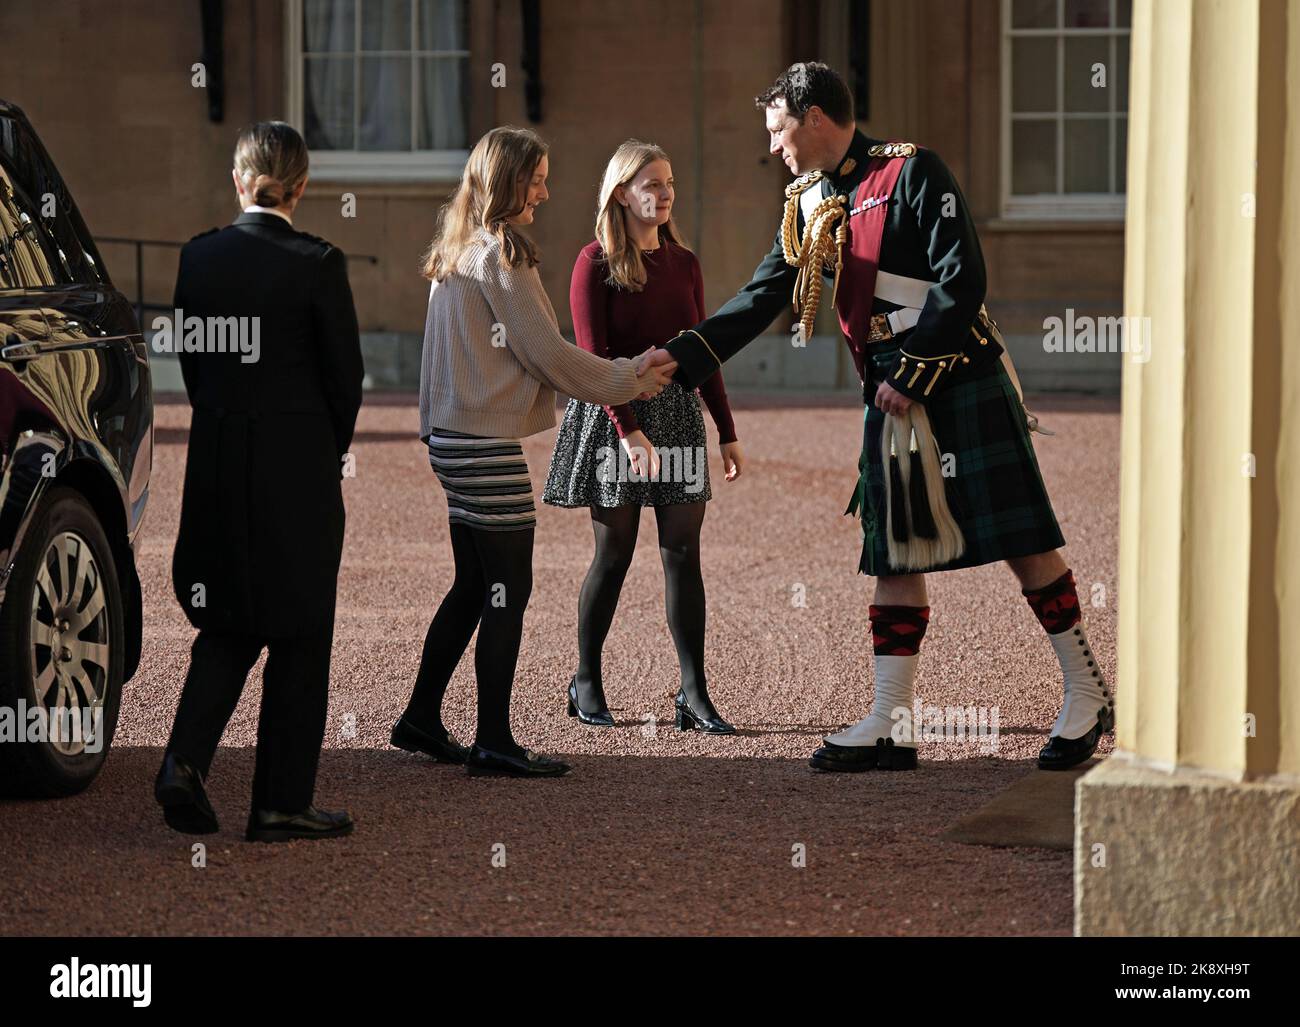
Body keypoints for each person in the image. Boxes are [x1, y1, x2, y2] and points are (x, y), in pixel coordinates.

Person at [660, 63, 1112, 773]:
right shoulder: (807, 202)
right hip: (889, 390)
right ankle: (892, 722)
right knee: (895, 548)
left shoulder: (912, 172)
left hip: (953, 372)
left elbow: (963, 278)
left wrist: (914, 367)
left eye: (779, 131)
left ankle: (1087, 693)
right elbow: (762, 296)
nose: (773, 147)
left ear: (814, 119)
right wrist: (684, 356)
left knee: (1021, 534)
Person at [392, 126, 678, 778]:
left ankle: (420, 717)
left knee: (473, 585)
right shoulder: (499, 253)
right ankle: (493, 739)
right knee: (505, 588)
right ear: (509, 181)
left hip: (451, 436)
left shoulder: (460, 246)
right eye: (538, 179)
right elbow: (548, 353)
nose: (546, 192)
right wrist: (631, 376)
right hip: (481, 442)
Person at [155, 121, 364, 841]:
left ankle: (183, 763)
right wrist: (324, 451)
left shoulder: (198, 257)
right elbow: (347, 382)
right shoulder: (318, 263)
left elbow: (191, 367)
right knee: (301, 630)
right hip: (295, 468)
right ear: (302, 187)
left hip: (215, 461)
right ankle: (279, 800)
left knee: (228, 622)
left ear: (238, 180)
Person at [542, 141, 742, 734]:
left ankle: (693, 694)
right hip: (612, 421)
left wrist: (726, 431)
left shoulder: (685, 263)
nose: (664, 194)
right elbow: (593, 355)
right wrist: (628, 429)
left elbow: (703, 354)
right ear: (621, 194)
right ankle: (586, 682)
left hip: (678, 418)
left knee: (683, 554)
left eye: (669, 183)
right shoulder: (592, 262)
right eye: (650, 184)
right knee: (614, 554)